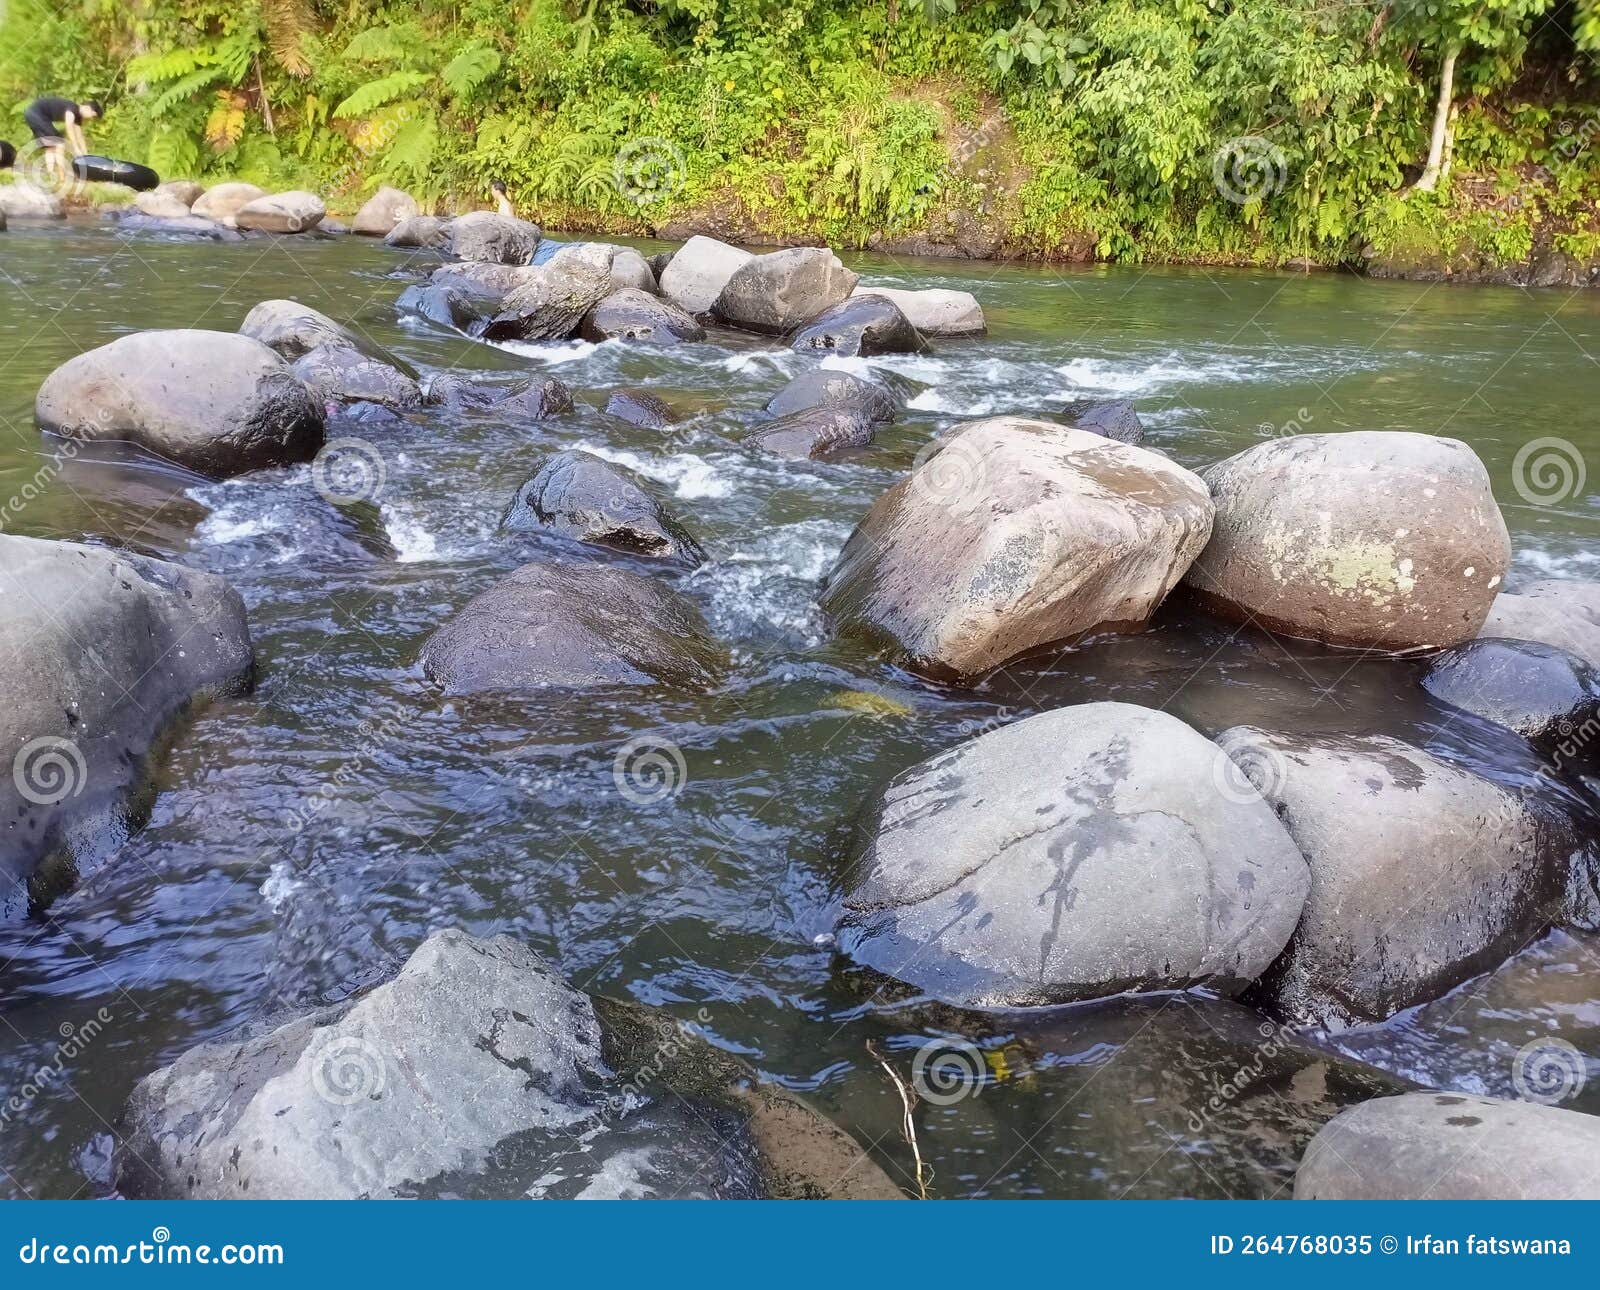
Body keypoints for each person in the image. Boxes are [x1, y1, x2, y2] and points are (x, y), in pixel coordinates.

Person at [22, 97, 100, 185]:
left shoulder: (77, 116)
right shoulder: (73, 109)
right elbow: (69, 128)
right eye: (92, 115)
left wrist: (85, 154)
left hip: (33, 114)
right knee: (59, 143)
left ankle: (50, 175)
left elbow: (79, 136)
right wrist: (75, 148)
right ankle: (62, 178)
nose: (91, 118)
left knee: (50, 146)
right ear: (88, 108)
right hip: (36, 114)